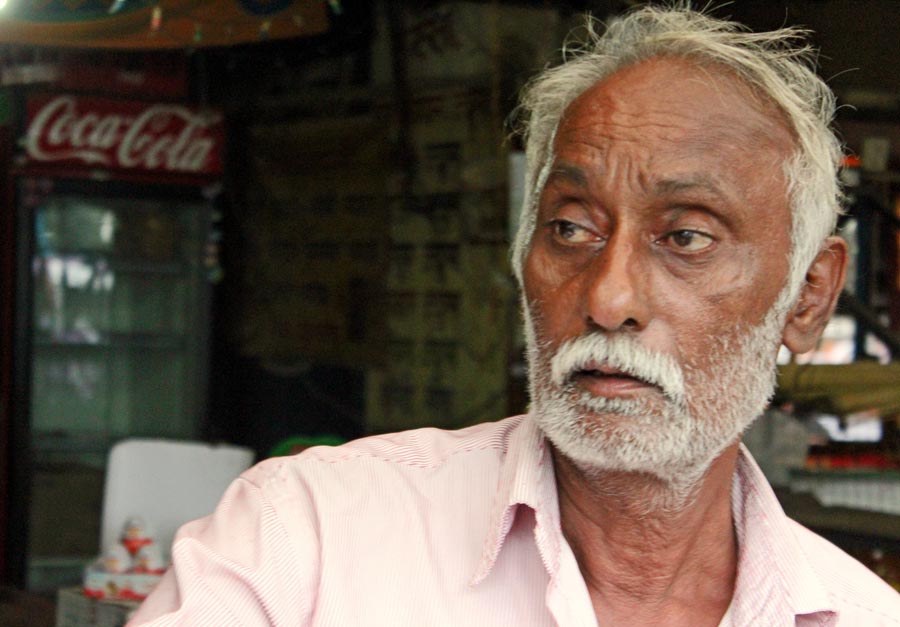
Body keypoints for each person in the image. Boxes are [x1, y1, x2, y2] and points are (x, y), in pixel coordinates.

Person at [129, 6, 900, 626]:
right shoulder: (306, 539)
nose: (608, 298)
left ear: (809, 295)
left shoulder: (858, 614)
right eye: (571, 228)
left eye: (686, 236)